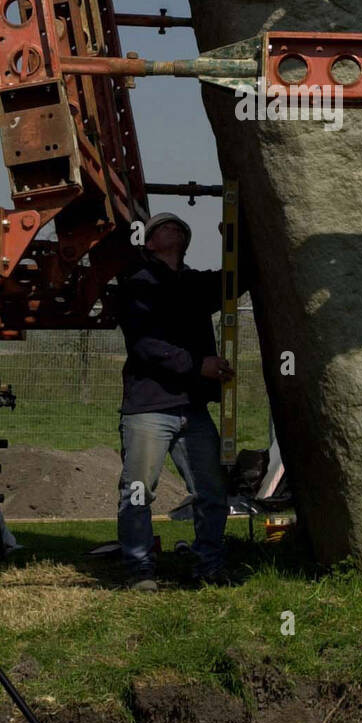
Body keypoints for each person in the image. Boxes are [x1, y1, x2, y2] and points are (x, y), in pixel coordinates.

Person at [114, 210, 249, 591]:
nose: (172, 227)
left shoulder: (194, 284)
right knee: (139, 490)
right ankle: (139, 571)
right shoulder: (135, 284)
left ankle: (209, 566)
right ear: (149, 242)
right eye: (162, 227)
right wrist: (197, 366)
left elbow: (237, 281)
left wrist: (235, 244)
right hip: (149, 406)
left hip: (192, 408)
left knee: (211, 491)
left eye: (179, 227)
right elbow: (144, 345)